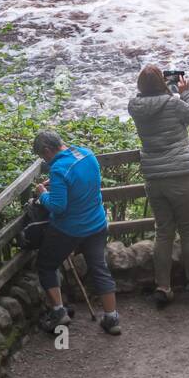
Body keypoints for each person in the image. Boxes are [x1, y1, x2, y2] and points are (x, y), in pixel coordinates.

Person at [127, 64, 189, 307]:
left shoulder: (135, 107)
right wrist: (185, 92)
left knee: (163, 231)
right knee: (188, 230)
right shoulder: (174, 103)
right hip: (181, 175)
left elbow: (153, 100)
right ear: (164, 83)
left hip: (154, 178)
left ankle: (163, 286)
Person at [33, 130, 121, 336]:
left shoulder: (58, 169)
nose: (44, 160)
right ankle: (112, 318)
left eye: (42, 156)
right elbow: (83, 184)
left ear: (47, 150)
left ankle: (58, 311)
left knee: (46, 264)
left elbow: (58, 206)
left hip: (69, 229)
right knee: (99, 267)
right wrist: (56, 186)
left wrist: (43, 194)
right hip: (97, 223)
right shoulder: (87, 154)